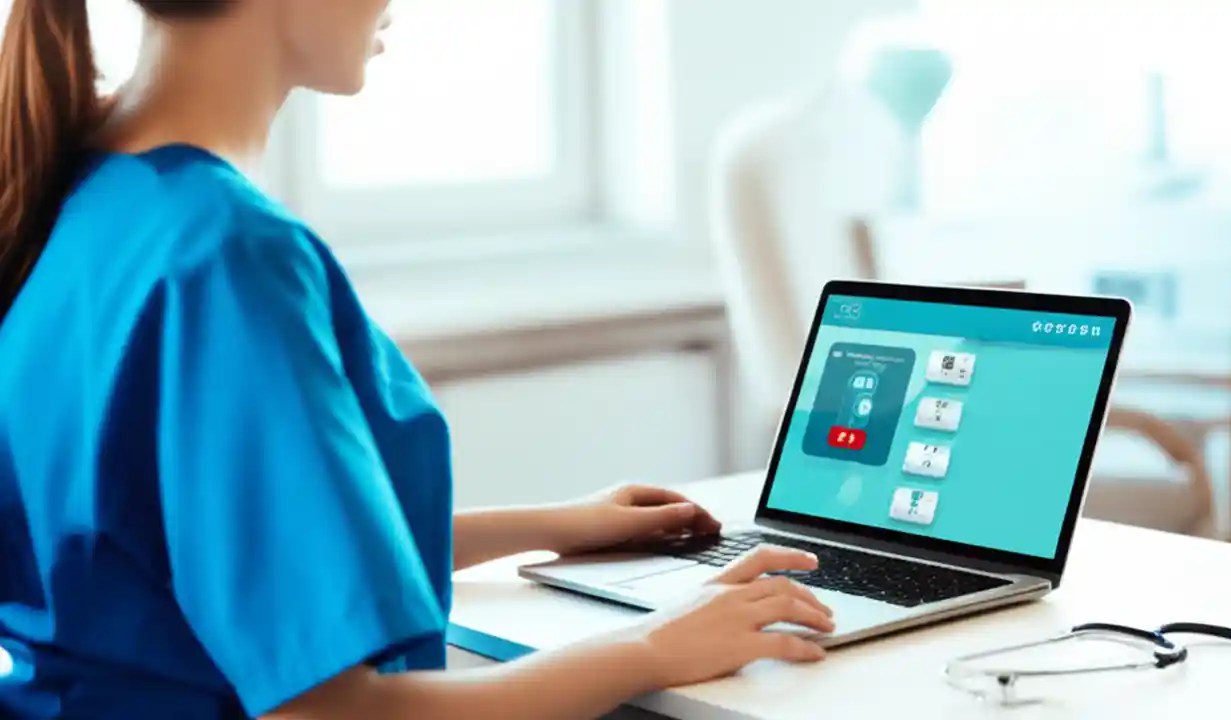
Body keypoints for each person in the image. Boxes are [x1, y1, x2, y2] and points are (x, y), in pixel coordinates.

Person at [0, 2, 834, 718]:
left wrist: (556, 525)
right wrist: (653, 647)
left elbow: (184, 558)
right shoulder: (229, 255)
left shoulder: (83, 192)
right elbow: (333, 710)